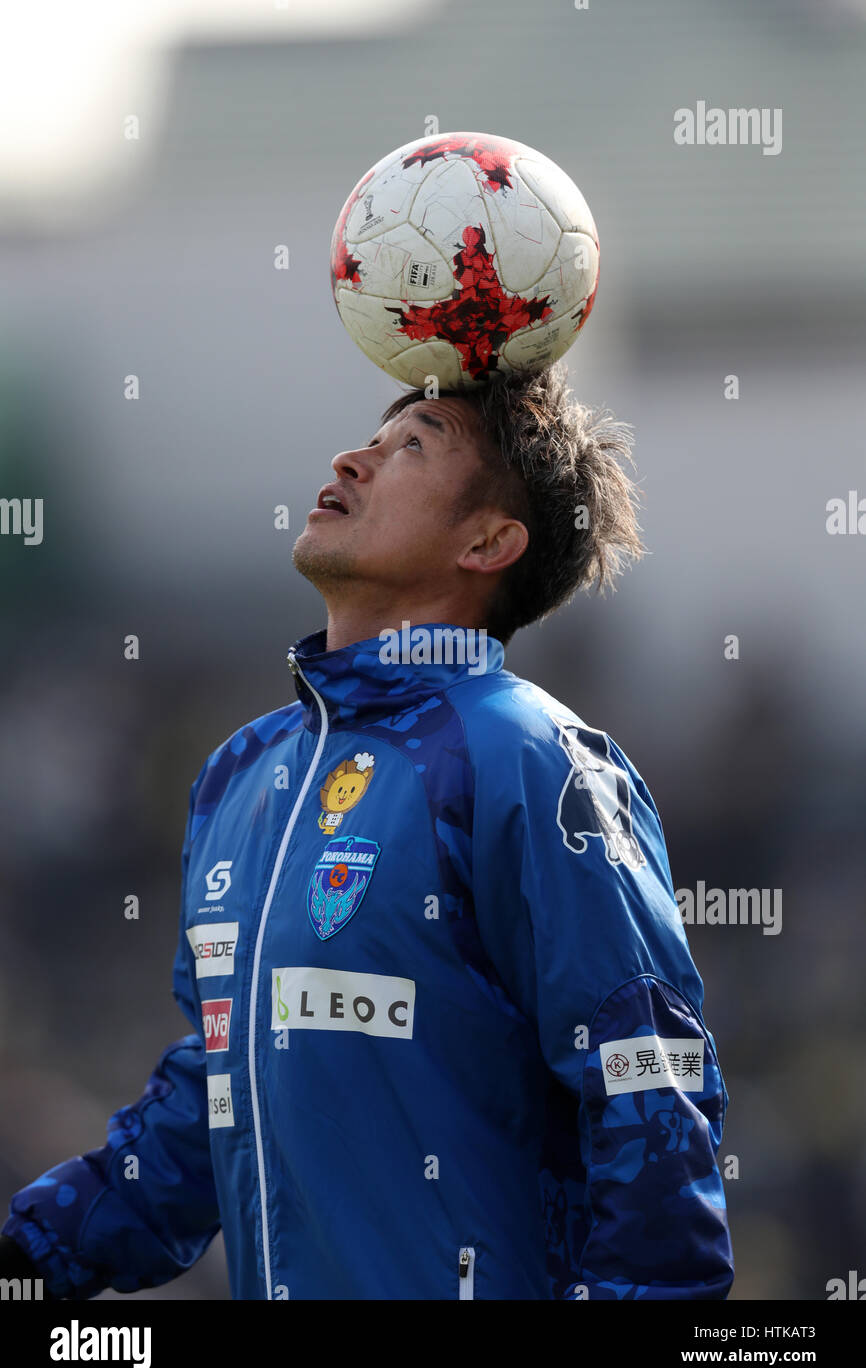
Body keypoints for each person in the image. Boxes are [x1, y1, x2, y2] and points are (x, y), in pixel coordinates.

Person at [0, 363, 734, 1300]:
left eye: (412, 447)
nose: (352, 459)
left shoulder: (532, 760)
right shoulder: (241, 775)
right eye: (373, 441)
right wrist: (34, 1258)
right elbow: (219, 1095)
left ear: (489, 541)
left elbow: (650, 1089)